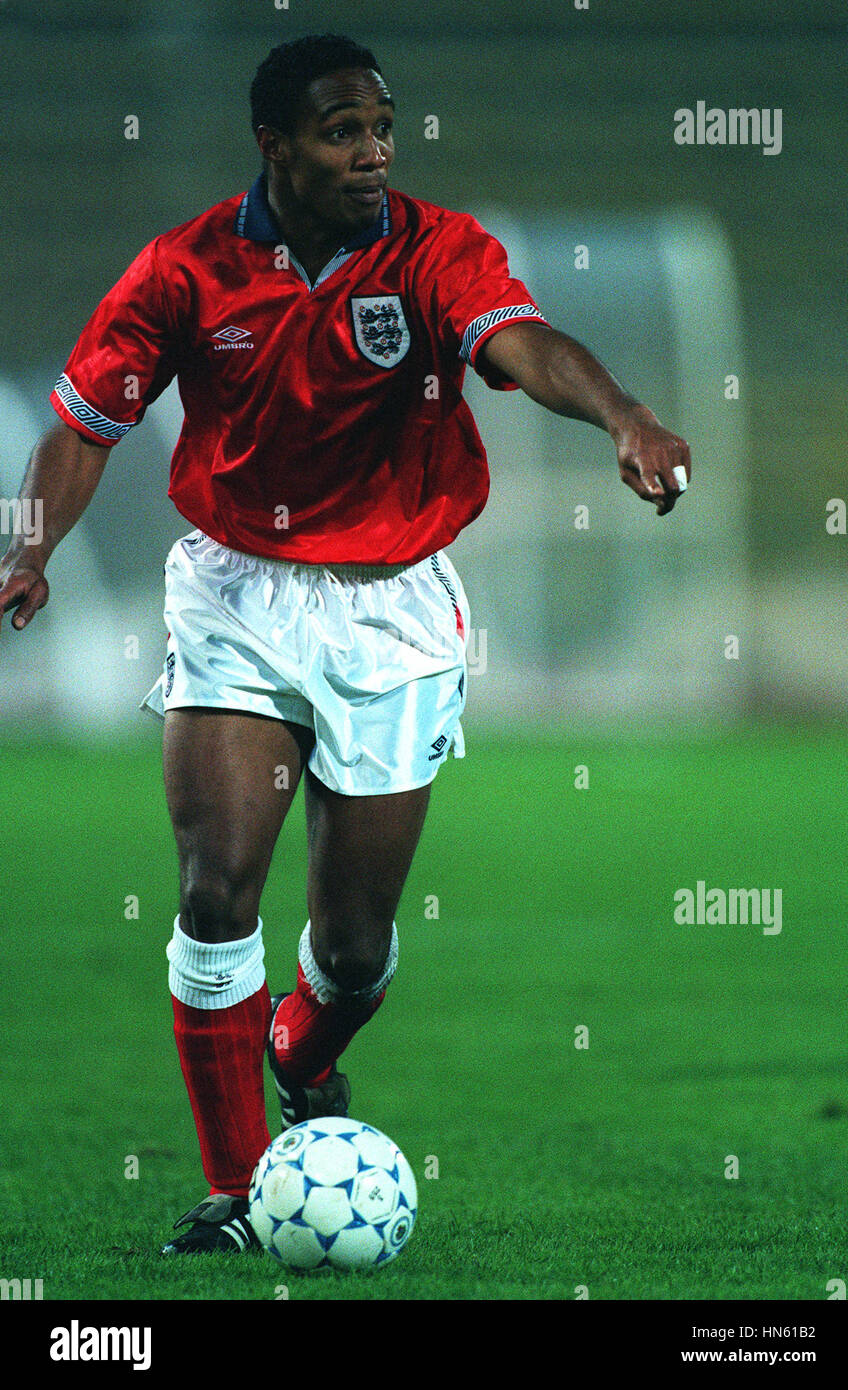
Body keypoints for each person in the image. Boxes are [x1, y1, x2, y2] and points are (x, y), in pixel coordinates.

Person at [0, 33, 691, 1255]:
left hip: (390, 606)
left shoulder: (435, 251)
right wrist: (31, 545)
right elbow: (85, 421)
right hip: (234, 596)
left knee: (353, 950)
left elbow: (520, 346)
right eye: (340, 132)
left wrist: (622, 414)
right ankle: (235, 1194)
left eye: (381, 127)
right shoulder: (183, 271)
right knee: (216, 893)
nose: (372, 153)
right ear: (274, 145)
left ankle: (300, 1049)